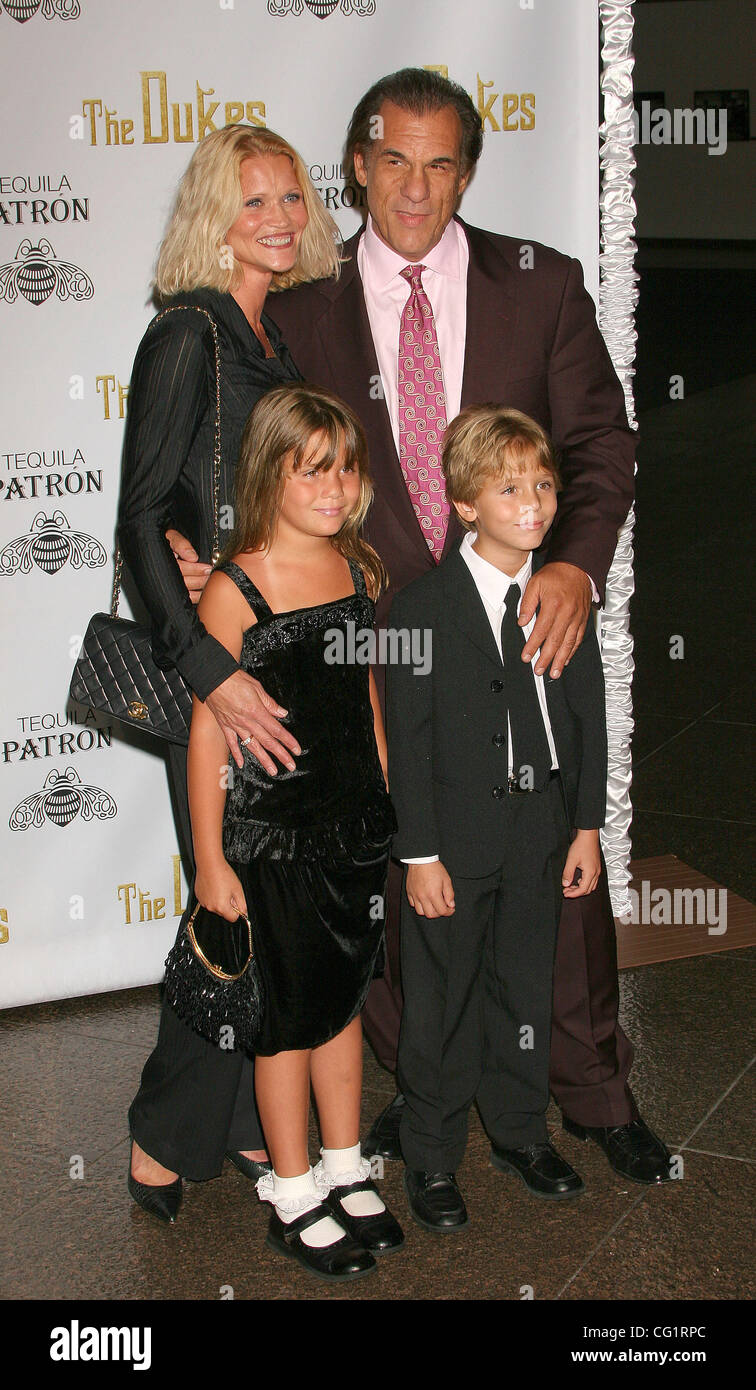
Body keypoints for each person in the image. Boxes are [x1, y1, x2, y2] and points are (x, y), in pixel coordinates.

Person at [265, 67, 673, 1188]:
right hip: (384, 641)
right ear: (356, 162)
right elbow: (269, 476)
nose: (416, 185)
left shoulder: (539, 288)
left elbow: (603, 445)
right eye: (394, 158)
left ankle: (588, 1084)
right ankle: (427, 1080)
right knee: (414, 861)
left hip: (527, 619)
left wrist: (578, 567)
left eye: (442, 162)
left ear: (470, 171)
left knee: (555, 872)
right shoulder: (303, 310)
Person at [119, 123, 342, 1223]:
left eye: (290, 199)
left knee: (274, 894)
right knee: (231, 893)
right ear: (215, 214)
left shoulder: (273, 335)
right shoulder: (189, 334)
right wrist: (211, 671)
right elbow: (136, 516)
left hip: (277, 650)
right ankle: (167, 1132)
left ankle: (258, 1114)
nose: (278, 220)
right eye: (253, 201)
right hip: (220, 663)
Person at [186, 382, 402, 1280]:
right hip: (272, 839)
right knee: (283, 1021)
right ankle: (292, 1183)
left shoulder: (357, 568)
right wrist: (208, 858)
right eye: (312, 470)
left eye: (346, 469)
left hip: (351, 827)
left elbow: (367, 693)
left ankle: (348, 1162)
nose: (335, 486)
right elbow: (208, 727)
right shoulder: (239, 585)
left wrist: (385, 786)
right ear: (268, 472)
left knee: (344, 1000)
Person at [386, 406, 607, 1228]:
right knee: (441, 1000)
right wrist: (419, 855)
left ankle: (520, 1130)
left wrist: (584, 825)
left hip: (539, 826)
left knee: (525, 986)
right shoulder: (419, 609)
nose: (534, 502)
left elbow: (585, 712)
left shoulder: (561, 595)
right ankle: (433, 1154)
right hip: (452, 836)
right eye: (509, 486)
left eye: (544, 484)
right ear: (465, 504)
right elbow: (406, 747)